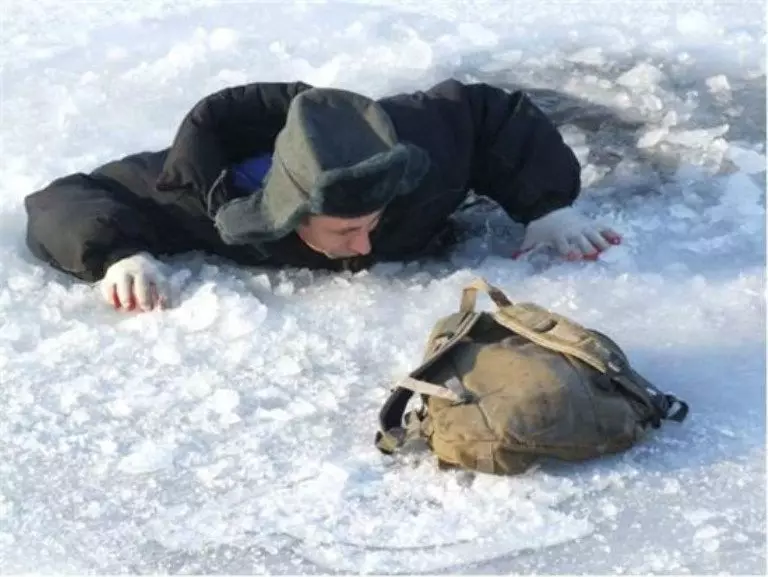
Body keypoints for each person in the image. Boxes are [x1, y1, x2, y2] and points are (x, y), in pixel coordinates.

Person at [23, 78, 621, 313]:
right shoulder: (200, 198)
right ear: (290, 212)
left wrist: (547, 208)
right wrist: (116, 252)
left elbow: (489, 114)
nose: (364, 244)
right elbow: (62, 198)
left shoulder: (414, 151)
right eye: (343, 231)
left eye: (371, 222)